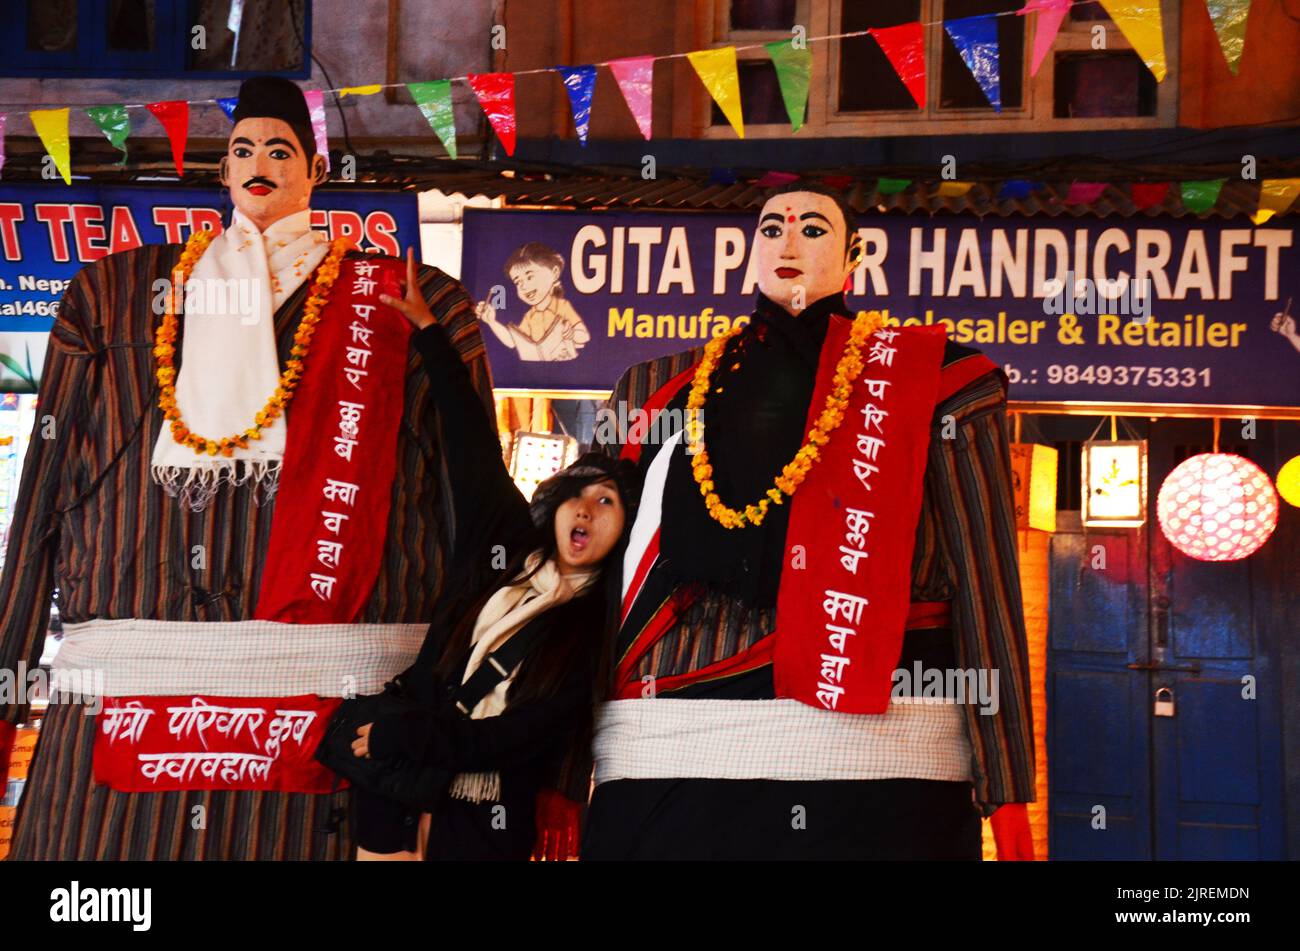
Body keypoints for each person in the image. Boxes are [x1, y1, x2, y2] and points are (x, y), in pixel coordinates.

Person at [0, 76, 494, 860]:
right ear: (222, 170)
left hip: (345, 733)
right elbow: (40, 509)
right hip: (116, 749)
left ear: (315, 170)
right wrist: (9, 679)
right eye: (242, 149)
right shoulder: (113, 298)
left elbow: (479, 523)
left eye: (280, 149)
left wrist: (471, 721)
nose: (259, 163)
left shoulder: (409, 300)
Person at [581, 182, 1036, 860]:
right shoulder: (657, 389)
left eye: (813, 229)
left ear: (854, 256)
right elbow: (586, 572)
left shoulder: (937, 380)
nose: (788, 242)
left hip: (880, 755)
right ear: (748, 252)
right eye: (771, 228)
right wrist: (556, 765)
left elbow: (984, 577)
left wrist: (1005, 783)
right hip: (673, 746)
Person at [344, 279, 638, 859]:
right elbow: (470, 442)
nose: (586, 509)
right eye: (580, 494)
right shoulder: (500, 549)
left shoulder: (596, 625)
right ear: (555, 508)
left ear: (625, 531)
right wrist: (429, 333)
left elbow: (522, 736)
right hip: (394, 799)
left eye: (608, 502)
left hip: (484, 824)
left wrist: (411, 736)